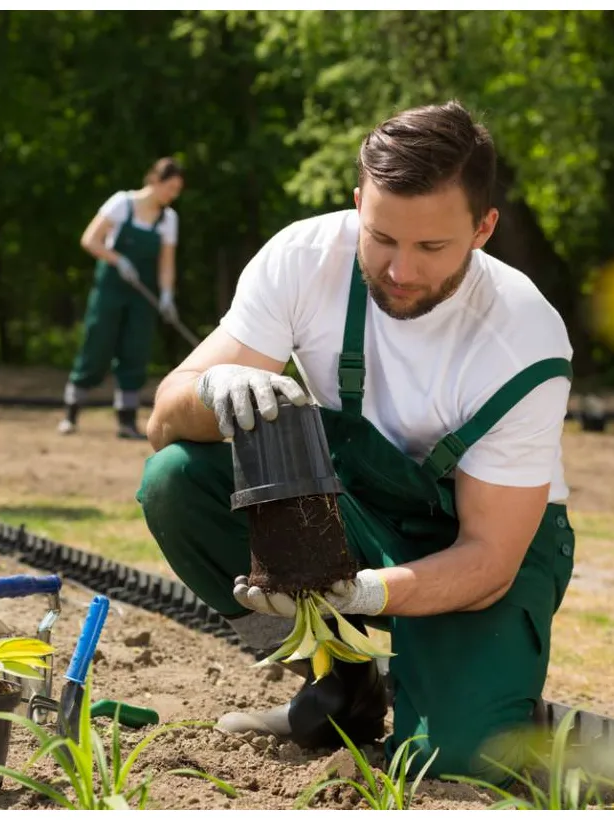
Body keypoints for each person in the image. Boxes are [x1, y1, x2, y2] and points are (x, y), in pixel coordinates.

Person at [135, 101, 575, 784]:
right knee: (174, 480)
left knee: (457, 762)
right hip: (356, 507)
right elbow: (162, 420)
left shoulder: (522, 339)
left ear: (484, 228)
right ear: (357, 204)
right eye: (381, 238)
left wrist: (368, 594)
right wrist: (213, 389)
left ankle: (480, 688)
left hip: (486, 544)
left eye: (431, 248)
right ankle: (335, 679)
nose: (399, 270)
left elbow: (489, 559)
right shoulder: (305, 259)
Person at [58, 158, 184, 439]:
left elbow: (166, 263)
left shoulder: (168, 219)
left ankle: (126, 422)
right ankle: (71, 413)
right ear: (154, 181)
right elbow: (90, 240)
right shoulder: (121, 204)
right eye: (170, 187)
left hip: (142, 294)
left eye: (177, 190)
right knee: (97, 344)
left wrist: (166, 294)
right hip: (111, 288)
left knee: (135, 350)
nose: (173, 195)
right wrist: (118, 260)